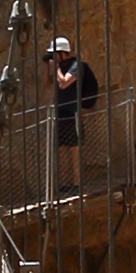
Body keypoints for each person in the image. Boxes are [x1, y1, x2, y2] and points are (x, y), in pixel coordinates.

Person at [48, 32, 99, 173]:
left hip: (72, 111)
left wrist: (56, 69)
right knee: (61, 147)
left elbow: (64, 82)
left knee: (74, 147)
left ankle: (76, 182)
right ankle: (64, 183)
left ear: (62, 53)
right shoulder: (60, 69)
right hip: (60, 111)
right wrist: (50, 70)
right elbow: (46, 83)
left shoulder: (76, 66)